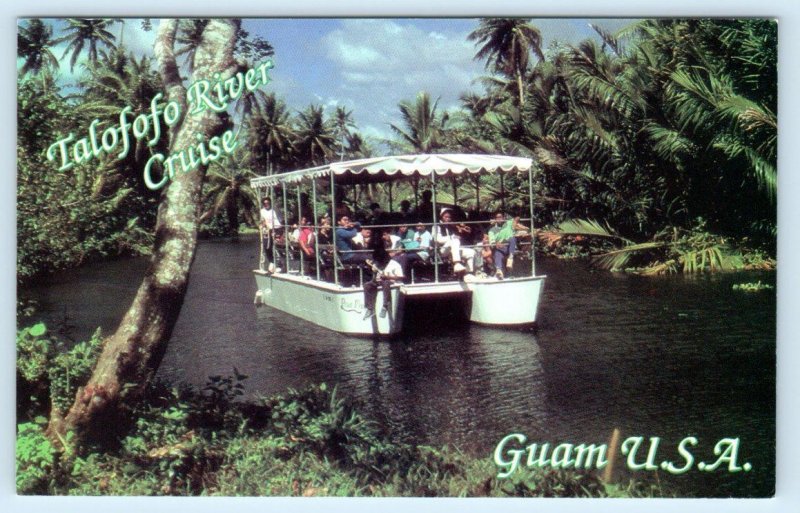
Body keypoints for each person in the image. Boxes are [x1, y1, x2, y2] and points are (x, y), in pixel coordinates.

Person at [362, 246, 404, 320]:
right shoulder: (377, 264)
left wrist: (387, 277)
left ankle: (385, 306)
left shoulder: (395, 264)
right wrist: (373, 271)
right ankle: (370, 308)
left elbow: (401, 277)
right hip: (378, 281)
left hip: (390, 281)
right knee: (367, 285)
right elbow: (374, 276)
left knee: (385, 282)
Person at [435, 209, 475, 274]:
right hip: (442, 250)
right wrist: (451, 237)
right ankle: (457, 263)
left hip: (453, 250)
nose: (448, 219)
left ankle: (468, 273)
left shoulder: (451, 226)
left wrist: (461, 231)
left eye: (449, 217)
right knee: (454, 240)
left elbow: (457, 238)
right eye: (446, 217)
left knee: (471, 252)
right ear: (441, 217)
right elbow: (438, 239)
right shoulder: (437, 226)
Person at [488, 211, 518, 279]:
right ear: (495, 219)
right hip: (500, 247)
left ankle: (510, 259)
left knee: (512, 238)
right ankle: (499, 271)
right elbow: (492, 242)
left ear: (503, 218)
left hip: (510, 247)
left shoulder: (508, 223)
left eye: (500, 217)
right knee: (497, 253)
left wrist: (504, 211)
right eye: (497, 217)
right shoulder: (492, 230)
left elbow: (516, 217)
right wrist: (496, 244)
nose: (499, 219)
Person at [259, 197, 282, 273]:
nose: (266, 204)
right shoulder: (262, 211)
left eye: (267, 203)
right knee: (267, 246)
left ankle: (279, 263)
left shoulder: (275, 210)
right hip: (267, 231)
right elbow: (262, 221)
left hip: (277, 229)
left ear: (270, 203)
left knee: (278, 246)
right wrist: (263, 224)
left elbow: (280, 220)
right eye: (264, 203)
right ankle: (272, 261)